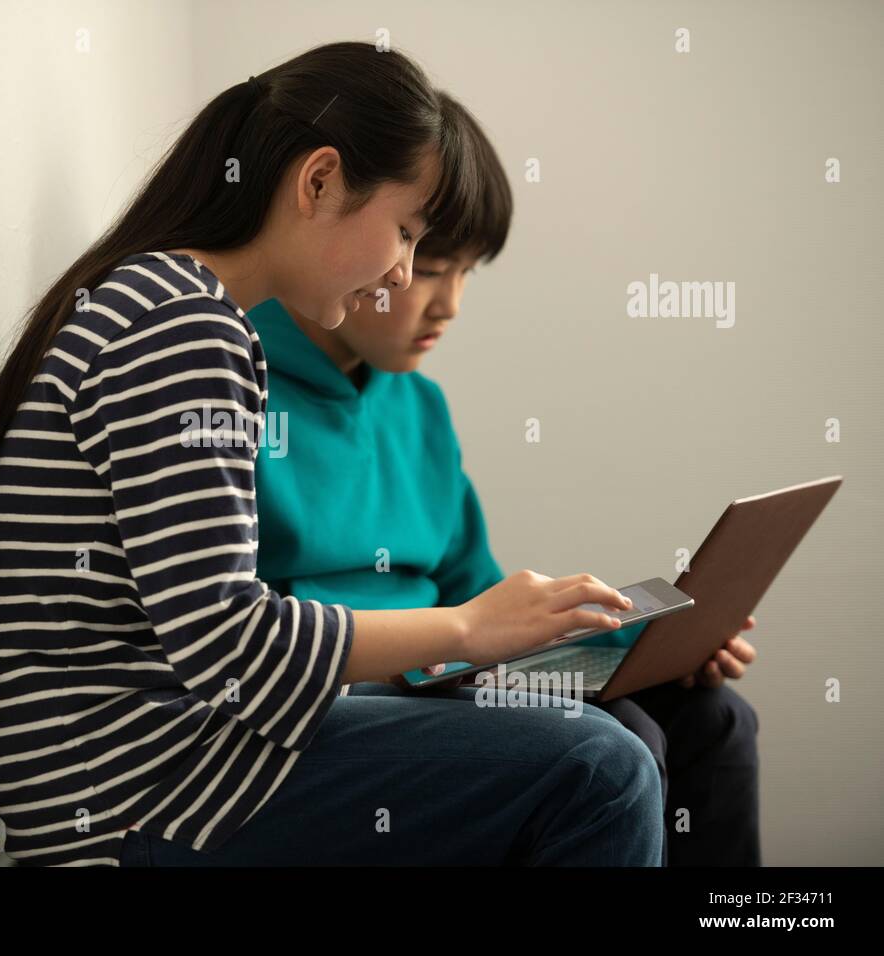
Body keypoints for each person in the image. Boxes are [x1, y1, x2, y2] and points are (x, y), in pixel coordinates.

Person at [0, 42, 662, 867]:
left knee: (597, 741)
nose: (400, 271)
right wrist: (467, 628)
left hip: (164, 768)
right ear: (318, 181)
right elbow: (227, 640)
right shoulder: (181, 325)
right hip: (140, 798)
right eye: (404, 232)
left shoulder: (165, 304)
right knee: (599, 767)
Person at [247, 89, 760, 867]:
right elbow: (236, 628)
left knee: (712, 717)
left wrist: (642, 643)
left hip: (444, 672)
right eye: (422, 263)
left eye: (464, 271)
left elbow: (479, 603)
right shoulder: (233, 381)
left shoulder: (418, 408)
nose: (446, 302)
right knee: (622, 745)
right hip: (347, 692)